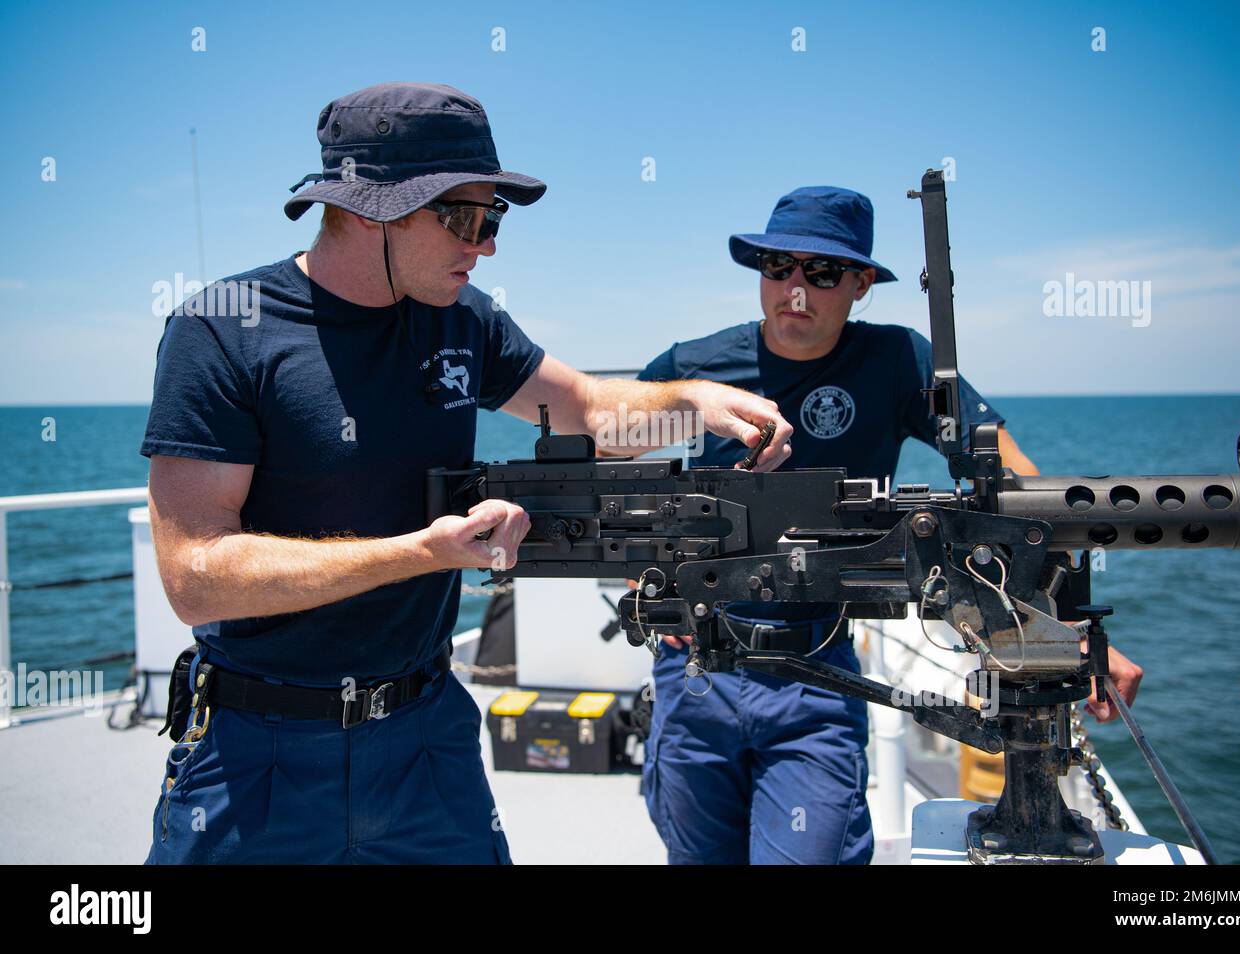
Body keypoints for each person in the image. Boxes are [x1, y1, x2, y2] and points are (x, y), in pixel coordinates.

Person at [140, 82, 792, 864]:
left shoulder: (463, 318)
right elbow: (197, 575)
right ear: (370, 207)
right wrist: (424, 552)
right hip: (258, 755)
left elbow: (581, 407)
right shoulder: (221, 329)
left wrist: (694, 405)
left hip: (427, 740)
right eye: (464, 218)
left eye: (495, 220)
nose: (486, 245)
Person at [637, 186, 1144, 865]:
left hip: (818, 668)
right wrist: (650, 575)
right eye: (777, 266)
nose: (794, 289)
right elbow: (599, 455)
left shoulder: (898, 362)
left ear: (861, 283)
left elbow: (1013, 490)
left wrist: (1063, 623)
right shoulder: (695, 367)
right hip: (694, 664)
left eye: (820, 273)